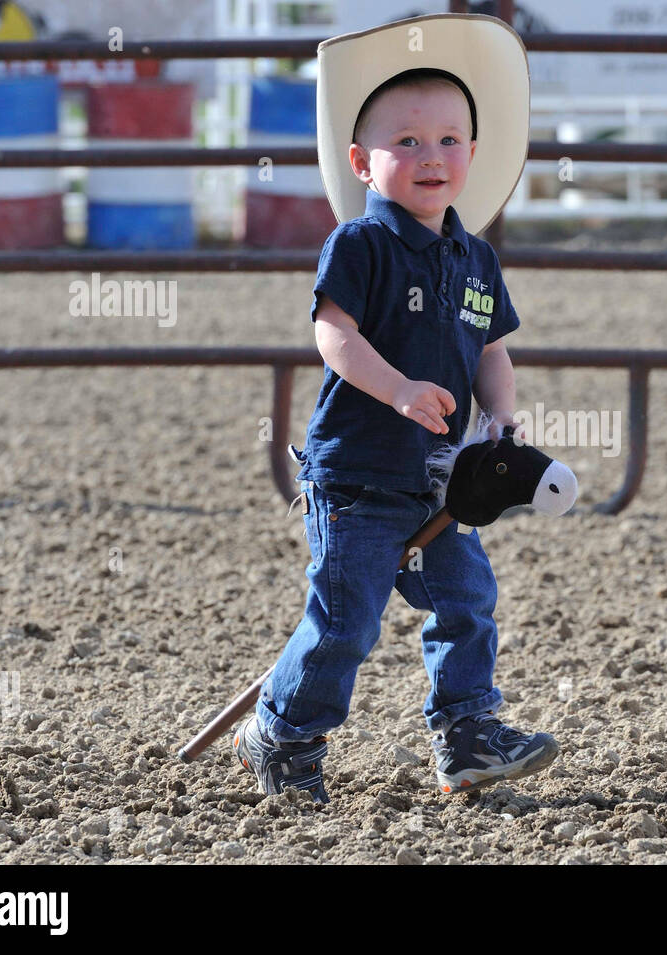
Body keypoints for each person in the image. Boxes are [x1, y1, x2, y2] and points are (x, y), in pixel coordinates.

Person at [232, 15, 557, 802]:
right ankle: (283, 732)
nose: (430, 157)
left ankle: (468, 730)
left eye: (449, 140)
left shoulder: (475, 256)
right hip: (358, 478)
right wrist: (401, 389)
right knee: (346, 621)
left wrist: (502, 420)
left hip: (439, 479)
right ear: (362, 162)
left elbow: (489, 351)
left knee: (467, 600)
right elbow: (332, 334)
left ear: (472, 156)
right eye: (405, 141)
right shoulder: (359, 245)